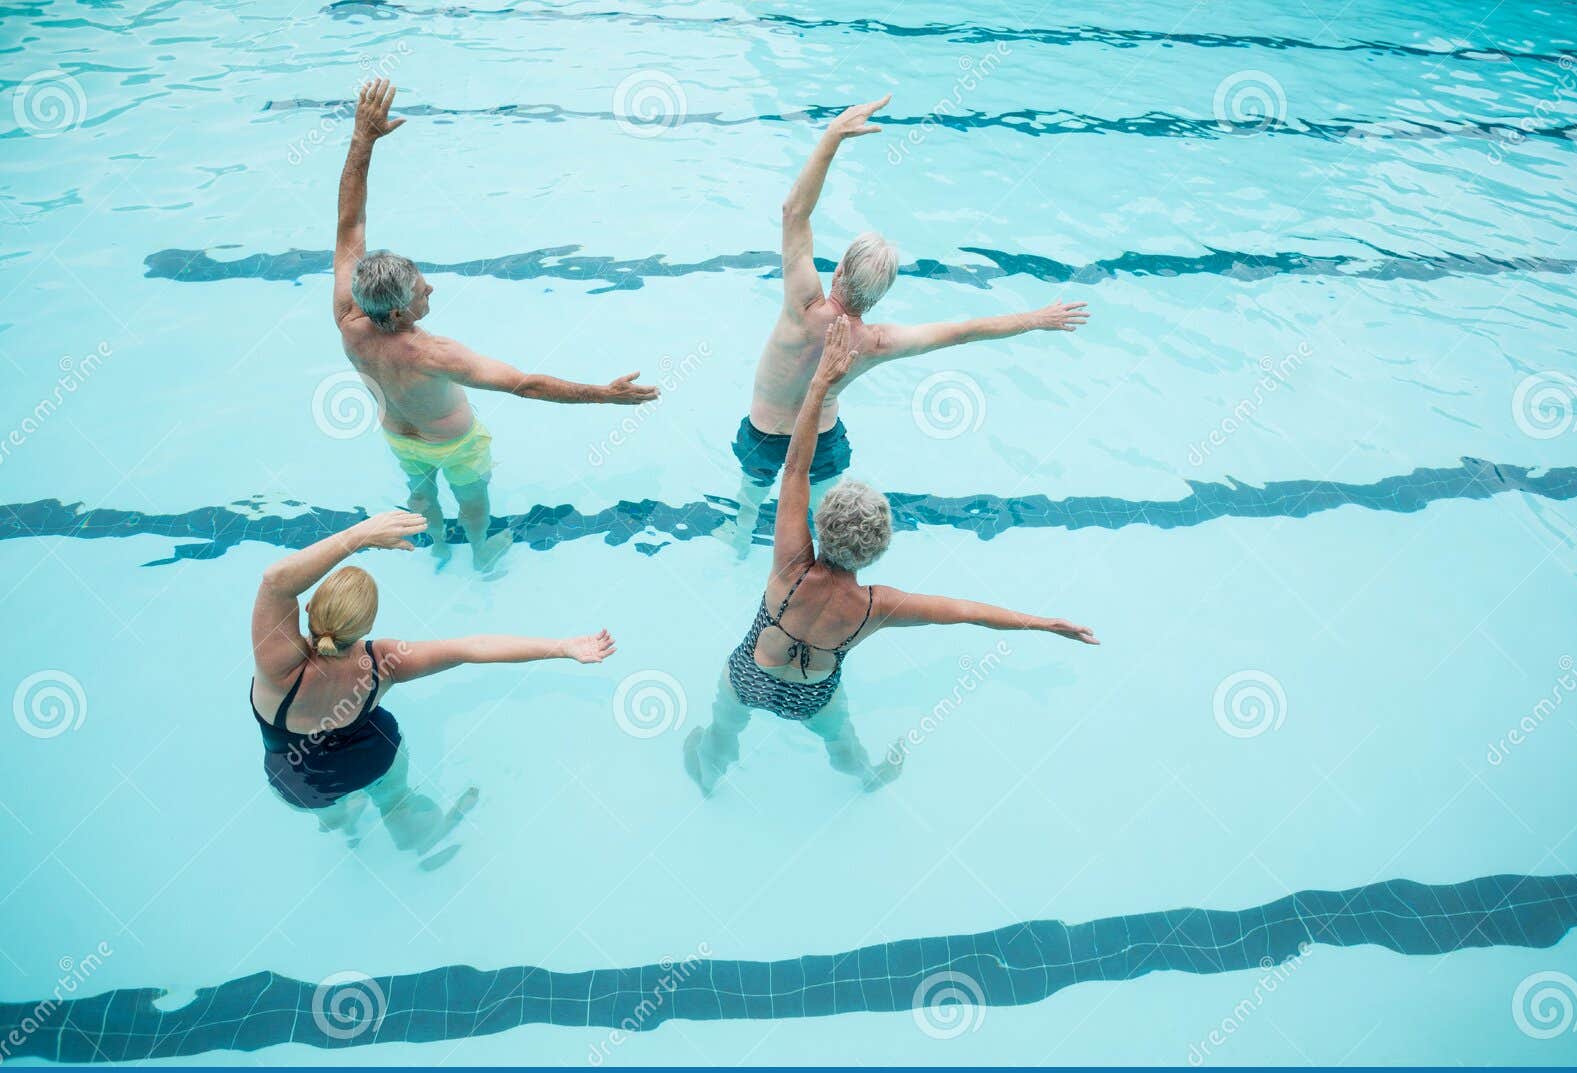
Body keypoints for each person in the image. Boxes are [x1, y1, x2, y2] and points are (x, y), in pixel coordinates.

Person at [686, 322, 1099, 795]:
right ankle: (866, 776)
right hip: (811, 696)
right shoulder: (876, 607)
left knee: (722, 730)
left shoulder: (790, 567)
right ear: (879, 549)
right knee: (841, 742)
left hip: (749, 676)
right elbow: (966, 612)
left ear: (820, 524)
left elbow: (796, 467)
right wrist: (1044, 624)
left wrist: (820, 384)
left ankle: (709, 771)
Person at [719, 94, 1090, 555]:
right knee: (828, 522)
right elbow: (964, 331)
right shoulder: (877, 342)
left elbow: (794, 212)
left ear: (839, 271)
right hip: (822, 442)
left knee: (749, 503)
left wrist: (833, 137)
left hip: (765, 434)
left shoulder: (803, 304)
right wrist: (1035, 318)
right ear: (879, 297)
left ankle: (738, 543)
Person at [332, 80, 659, 574]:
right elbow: (525, 385)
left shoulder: (348, 318)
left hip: (399, 437)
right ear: (397, 313)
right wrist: (604, 395)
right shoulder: (435, 355)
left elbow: (349, 223)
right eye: (420, 290)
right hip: (455, 445)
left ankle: (437, 547)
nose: (431, 289)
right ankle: (481, 549)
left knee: (420, 496)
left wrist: (362, 140)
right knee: (473, 502)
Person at [250, 509, 616, 861]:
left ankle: (345, 828)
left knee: (330, 815)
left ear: (309, 608)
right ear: (367, 627)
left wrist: (360, 534)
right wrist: (562, 647)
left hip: (304, 781)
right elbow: (473, 648)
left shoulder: (278, 667)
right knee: (396, 803)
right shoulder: (383, 663)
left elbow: (276, 581)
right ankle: (419, 841)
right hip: (375, 760)